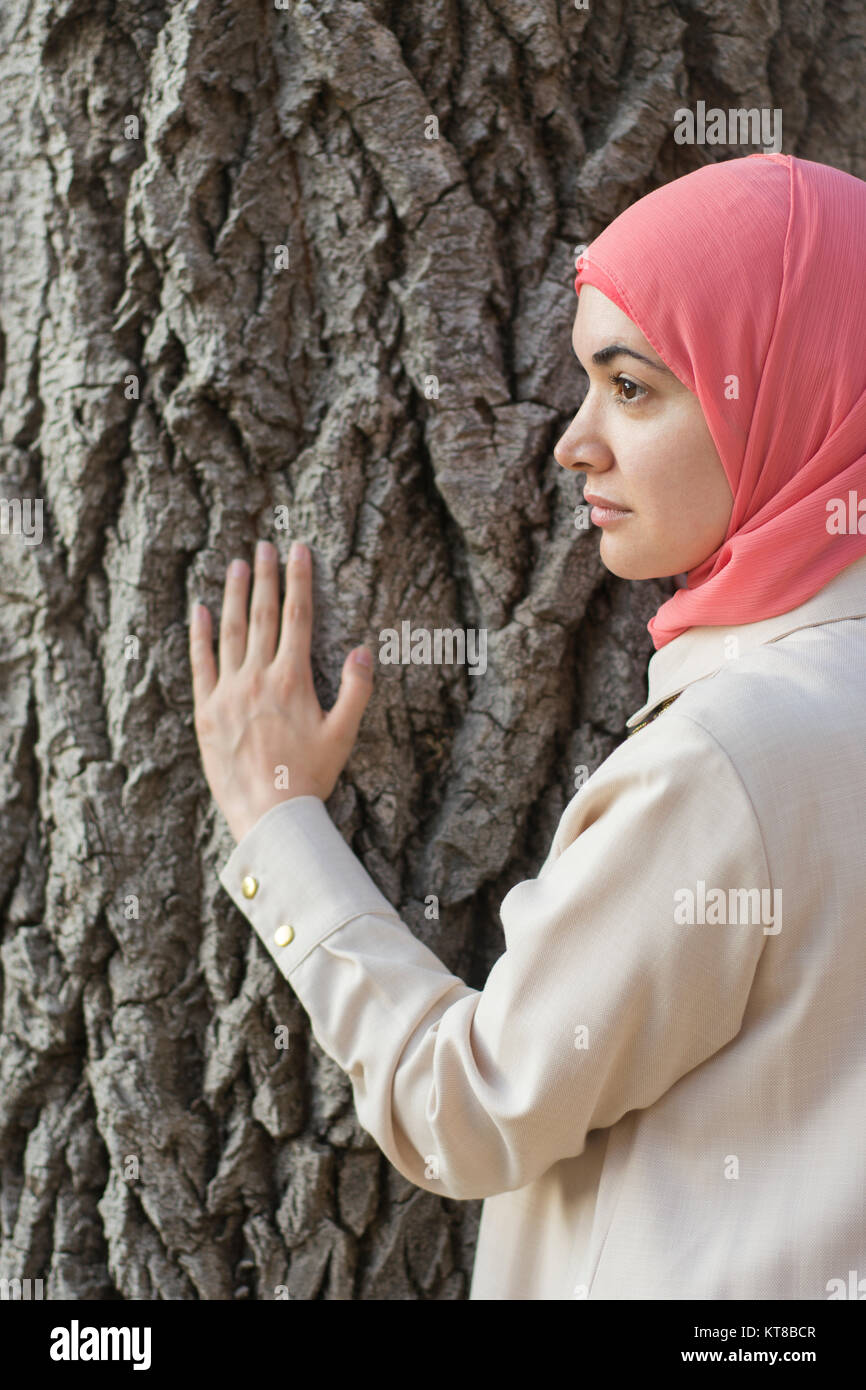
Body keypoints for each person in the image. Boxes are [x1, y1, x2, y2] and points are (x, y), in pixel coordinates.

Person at [189, 152, 866, 1300]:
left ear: (791, 383)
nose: (573, 440)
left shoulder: (729, 756)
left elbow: (473, 1107)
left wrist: (278, 828)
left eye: (632, 387)